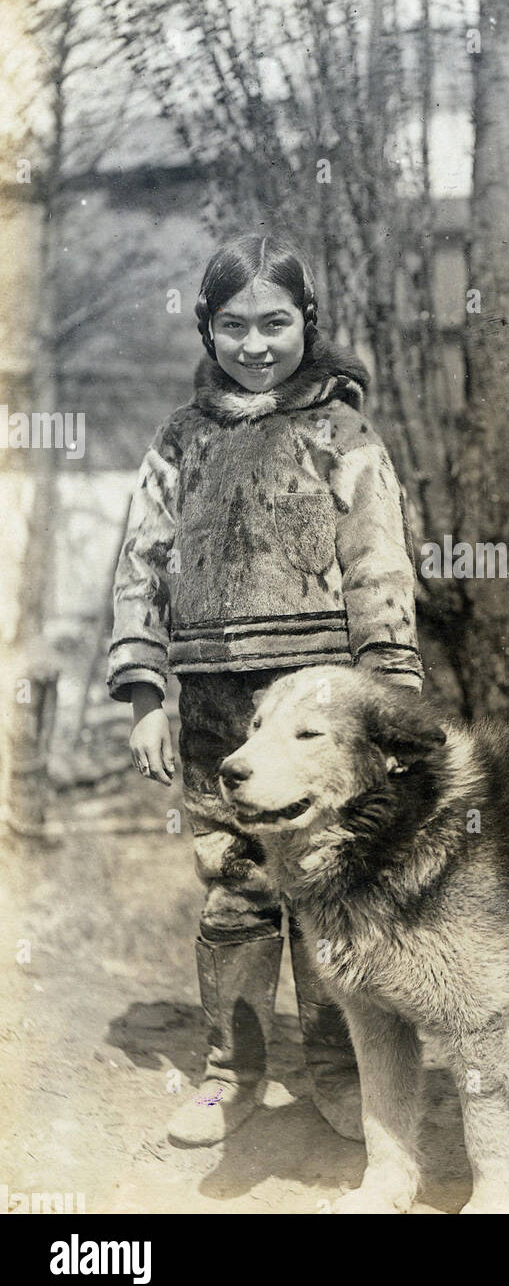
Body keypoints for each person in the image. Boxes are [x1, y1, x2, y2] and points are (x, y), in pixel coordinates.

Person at [107, 234, 423, 1147]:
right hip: (214, 711)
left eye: (275, 324)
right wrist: (147, 698)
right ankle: (230, 1075)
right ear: (207, 328)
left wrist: (384, 696)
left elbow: (379, 567)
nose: (255, 344)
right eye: (235, 326)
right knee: (235, 888)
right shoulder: (181, 441)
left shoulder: (343, 435)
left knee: (328, 882)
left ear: (307, 324)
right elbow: (140, 565)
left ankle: (339, 1072)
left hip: (318, 714)